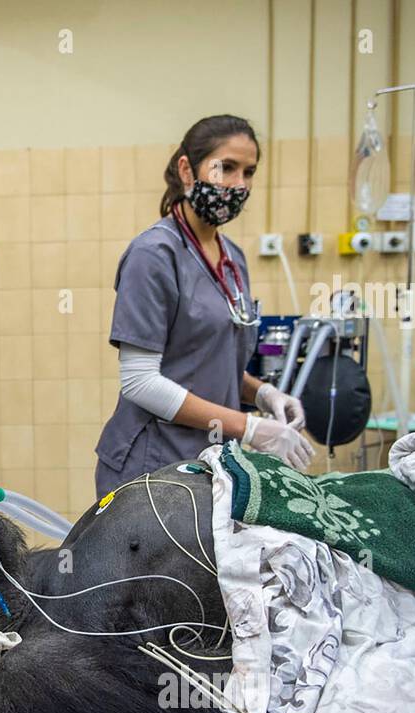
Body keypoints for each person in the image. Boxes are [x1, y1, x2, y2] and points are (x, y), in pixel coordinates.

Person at [95, 114, 312, 497]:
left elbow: (207, 359)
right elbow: (140, 381)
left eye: (248, 172)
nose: (238, 184)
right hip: (152, 469)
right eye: (225, 168)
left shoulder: (233, 257)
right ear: (187, 170)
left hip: (212, 466)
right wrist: (250, 428)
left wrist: (264, 394)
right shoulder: (153, 255)